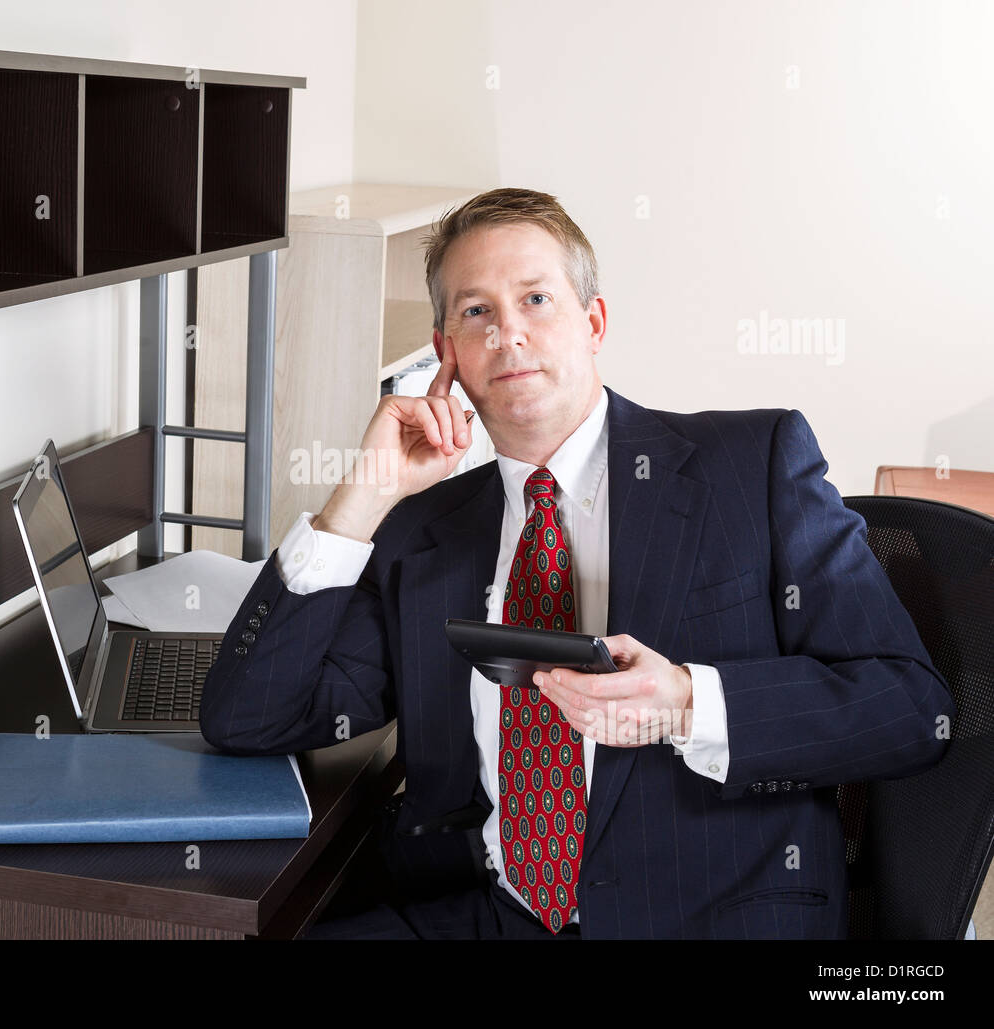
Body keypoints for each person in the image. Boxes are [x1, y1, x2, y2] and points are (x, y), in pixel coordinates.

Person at [199, 187, 954, 939]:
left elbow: (912, 710)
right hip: (496, 913)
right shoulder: (419, 531)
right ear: (446, 354)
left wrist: (691, 699)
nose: (508, 334)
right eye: (476, 312)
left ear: (593, 323)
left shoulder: (750, 466)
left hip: (708, 918)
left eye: (534, 299)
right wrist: (358, 502)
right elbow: (250, 717)